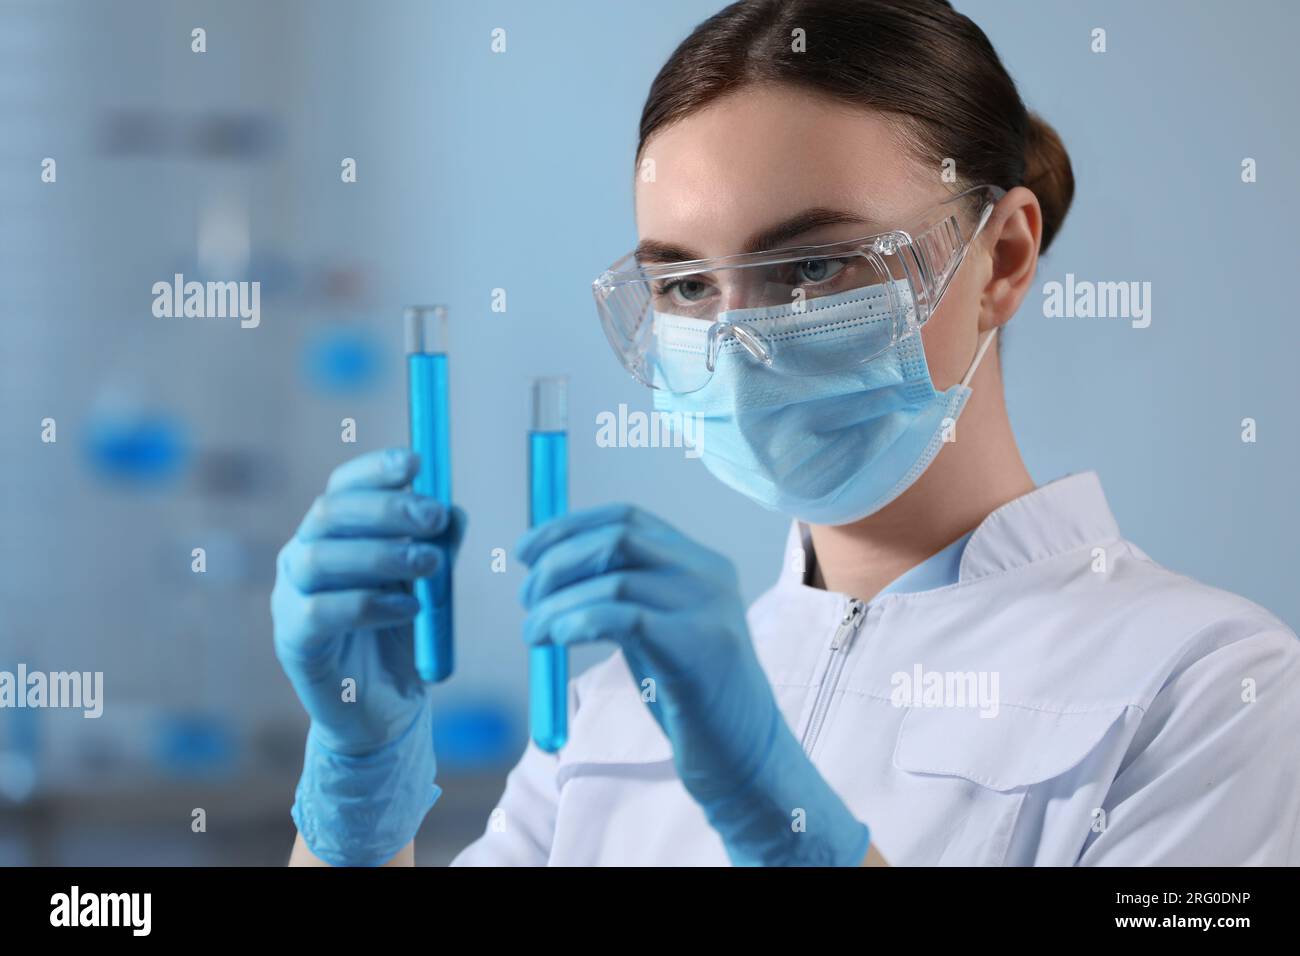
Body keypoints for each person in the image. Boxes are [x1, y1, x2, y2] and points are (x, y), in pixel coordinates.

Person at [272, 0, 1300, 867]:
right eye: (682, 282)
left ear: (1002, 258)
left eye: (812, 268)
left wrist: (785, 817)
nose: (733, 341)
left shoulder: (1210, 687)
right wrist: (360, 780)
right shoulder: (616, 705)